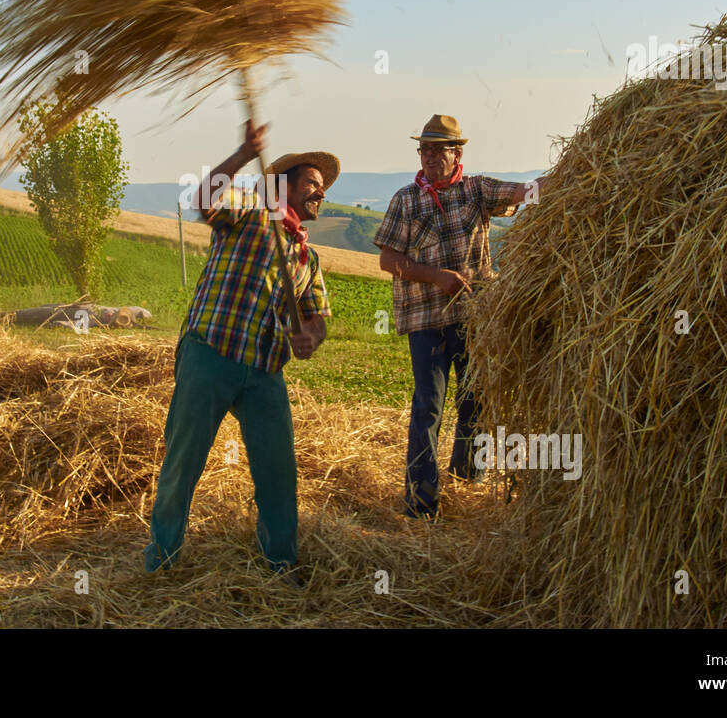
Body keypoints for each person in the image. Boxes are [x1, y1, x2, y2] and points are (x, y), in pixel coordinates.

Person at [144, 121, 338, 585]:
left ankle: (280, 563)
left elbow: (318, 317)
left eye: (323, 189)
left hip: (264, 372)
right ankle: (162, 558)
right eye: (312, 184)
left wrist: (312, 335)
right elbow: (203, 200)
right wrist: (242, 154)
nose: (320, 194)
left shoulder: (306, 259)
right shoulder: (251, 215)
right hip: (212, 351)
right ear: (285, 186)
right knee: (183, 460)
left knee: (278, 470)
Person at [374, 114, 545, 518]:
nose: (429, 156)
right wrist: (435, 277)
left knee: (476, 402)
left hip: (473, 317)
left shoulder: (477, 191)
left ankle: (467, 479)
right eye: (424, 149)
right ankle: (420, 502)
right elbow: (387, 259)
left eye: (438, 149)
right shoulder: (406, 199)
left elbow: (523, 192)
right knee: (429, 407)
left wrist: (575, 171)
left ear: (457, 153)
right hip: (426, 321)